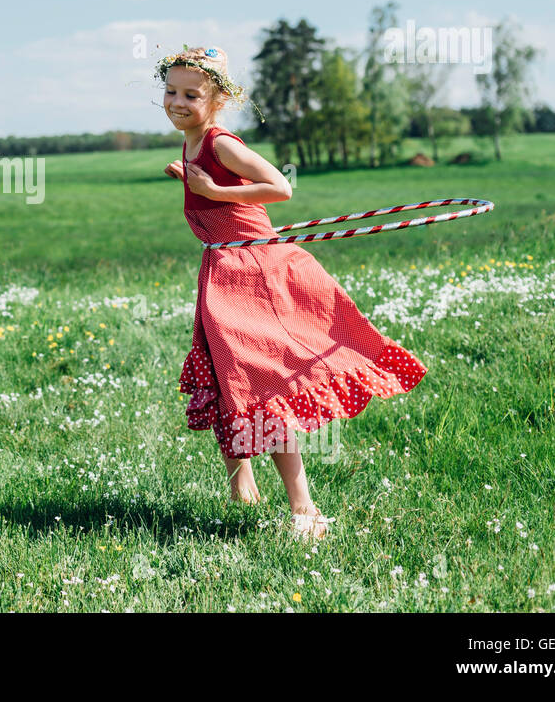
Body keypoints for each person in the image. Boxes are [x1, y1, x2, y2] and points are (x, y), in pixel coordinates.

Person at [159, 45, 426, 538]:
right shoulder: (191, 142)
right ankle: (242, 484)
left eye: (191, 94)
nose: (177, 101)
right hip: (221, 267)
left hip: (254, 271)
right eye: (170, 91)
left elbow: (280, 187)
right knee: (224, 374)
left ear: (217, 99)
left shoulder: (220, 143)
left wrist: (215, 192)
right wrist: (191, 180)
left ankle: (304, 511)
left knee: (263, 383)